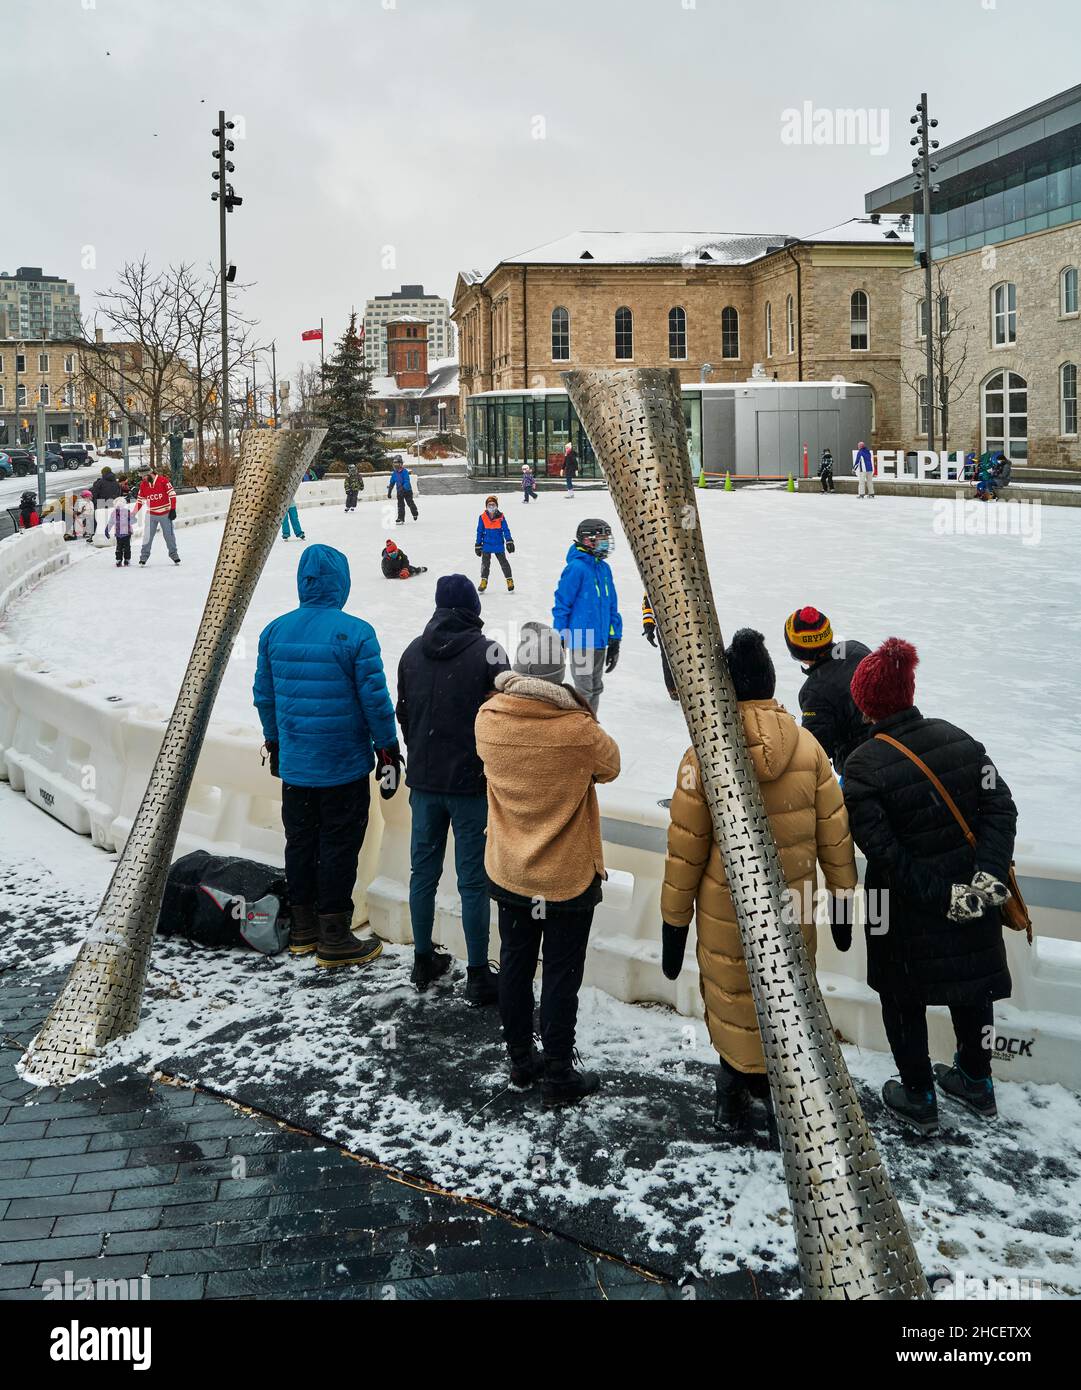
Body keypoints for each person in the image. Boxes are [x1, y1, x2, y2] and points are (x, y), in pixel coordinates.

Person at [660, 629, 857, 1139]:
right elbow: (835, 836)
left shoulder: (703, 753)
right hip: (793, 908)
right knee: (785, 999)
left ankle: (731, 1090)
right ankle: (779, 1094)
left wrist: (672, 924)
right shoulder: (810, 750)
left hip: (727, 912)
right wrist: (842, 901)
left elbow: (685, 848)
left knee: (731, 993)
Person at [842, 637, 1018, 1136]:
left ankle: (918, 1093)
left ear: (863, 702)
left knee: (902, 996)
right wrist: (982, 878)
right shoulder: (960, 739)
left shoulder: (862, 766)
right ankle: (976, 1080)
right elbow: (1000, 807)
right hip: (974, 894)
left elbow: (885, 854)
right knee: (973, 984)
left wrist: (943, 897)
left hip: (904, 909)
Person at [475, 621, 620, 1105]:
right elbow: (611, 766)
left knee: (515, 965)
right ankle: (559, 1072)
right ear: (560, 670)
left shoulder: (488, 719)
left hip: (511, 870)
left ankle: (520, 1060)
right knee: (561, 972)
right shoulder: (577, 730)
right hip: (566, 876)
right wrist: (578, 707)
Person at [253, 544, 401, 967]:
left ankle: (302, 929)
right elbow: (375, 701)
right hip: (343, 765)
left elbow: (264, 697)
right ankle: (334, 935)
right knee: (338, 844)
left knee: (299, 842)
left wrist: (275, 741)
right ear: (342, 583)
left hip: (297, 766)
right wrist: (387, 750)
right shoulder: (356, 632)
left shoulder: (274, 631)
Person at [396, 574, 510, 1002]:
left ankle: (423, 960)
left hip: (424, 785)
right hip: (471, 786)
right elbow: (508, 716)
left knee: (422, 873)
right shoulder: (490, 652)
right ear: (472, 610)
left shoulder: (411, 652)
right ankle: (478, 974)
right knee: (473, 881)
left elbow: (403, 714)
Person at [783, 607, 871, 776]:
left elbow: (815, 751)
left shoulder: (814, 692)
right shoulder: (856, 648)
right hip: (895, 742)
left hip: (861, 769)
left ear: (797, 652)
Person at [552, 518, 622, 714]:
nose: (606, 541)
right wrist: (561, 639)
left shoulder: (603, 568)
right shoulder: (576, 568)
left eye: (607, 537)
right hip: (581, 640)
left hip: (599, 640)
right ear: (587, 540)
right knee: (584, 691)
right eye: (602, 537)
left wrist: (615, 638)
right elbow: (562, 605)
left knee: (596, 687)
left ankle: (591, 728)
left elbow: (611, 606)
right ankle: (581, 733)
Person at [135, 468, 180, 566]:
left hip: (165, 513)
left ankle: (174, 554)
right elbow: (140, 501)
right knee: (148, 536)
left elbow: (172, 494)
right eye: (141, 477)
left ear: (150, 474)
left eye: (144, 476)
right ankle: (143, 557)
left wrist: (173, 509)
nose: (143, 479)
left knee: (169, 535)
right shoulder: (143, 485)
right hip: (151, 514)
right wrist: (133, 513)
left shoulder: (163, 480)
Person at [474, 494, 515, 593]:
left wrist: (509, 540)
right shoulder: (482, 517)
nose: (491, 507)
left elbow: (506, 529)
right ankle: (484, 581)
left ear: (496, 506)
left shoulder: (501, 517)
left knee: (504, 563)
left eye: (493, 505)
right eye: (489, 505)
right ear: (486, 506)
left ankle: (509, 580)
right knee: (485, 564)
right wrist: (478, 544)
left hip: (498, 544)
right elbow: (479, 531)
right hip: (486, 545)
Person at [642, 594, 677, 700]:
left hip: (687, 625)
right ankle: (673, 690)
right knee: (668, 658)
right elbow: (648, 605)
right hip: (664, 626)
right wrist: (649, 626)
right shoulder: (654, 580)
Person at [104, 496, 134, 567]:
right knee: (119, 547)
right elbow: (111, 522)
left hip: (127, 533)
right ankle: (119, 559)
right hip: (118, 534)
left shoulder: (127, 512)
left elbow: (133, 520)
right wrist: (107, 530)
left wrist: (129, 520)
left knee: (127, 547)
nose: (119, 508)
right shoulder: (114, 513)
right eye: (117, 507)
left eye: (120, 506)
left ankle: (127, 559)